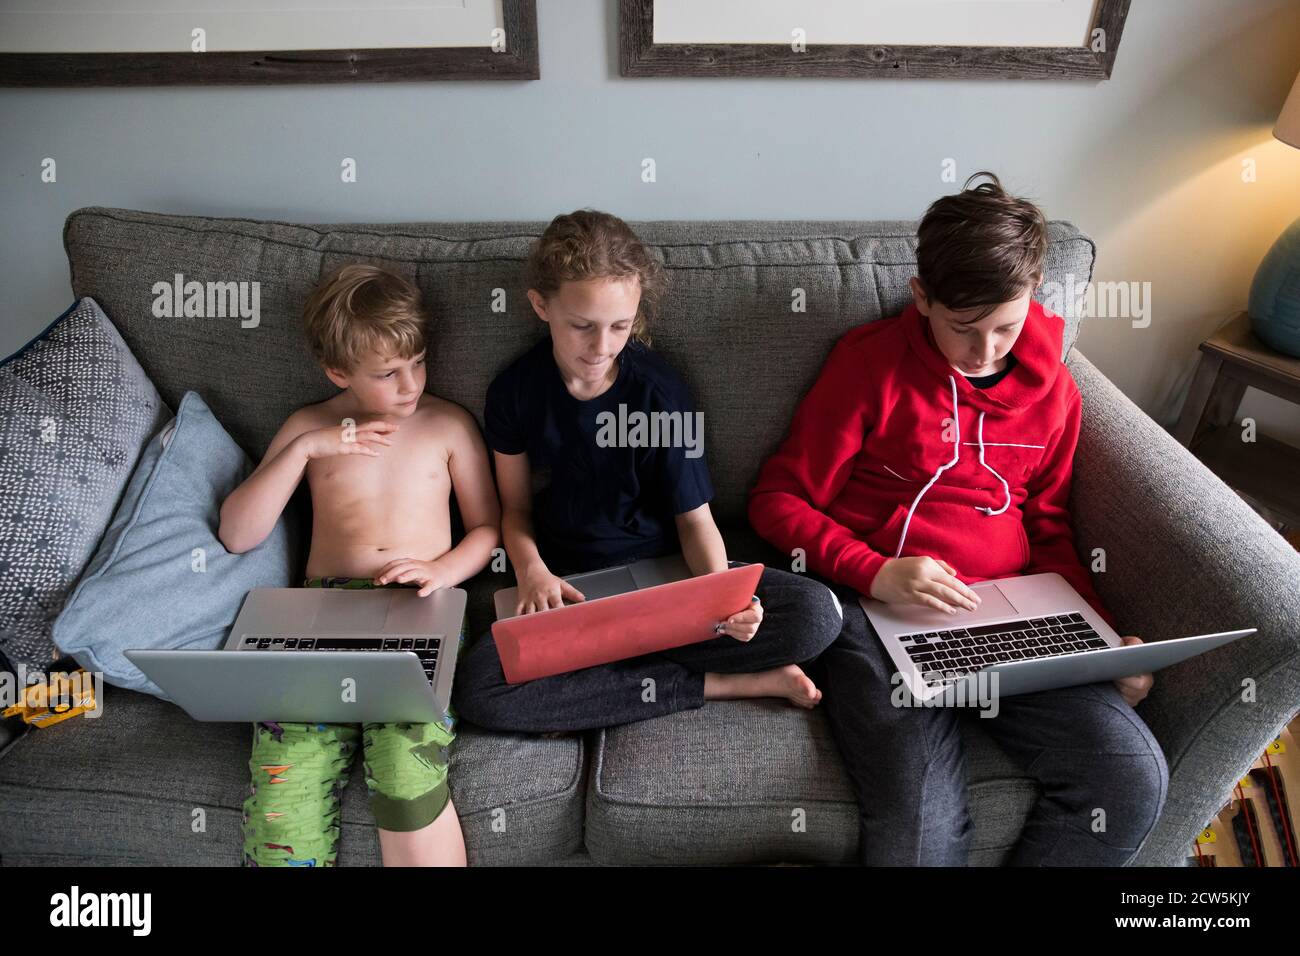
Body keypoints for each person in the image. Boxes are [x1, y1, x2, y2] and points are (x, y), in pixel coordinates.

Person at [748, 173, 1167, 865]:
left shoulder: (1056, 391)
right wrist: (876, 572)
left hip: (1010, 618)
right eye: (962, 329)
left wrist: (1099, 640)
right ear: (922, 297)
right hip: (875, 614)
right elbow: (777, 501)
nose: (984, 352)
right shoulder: (867, 366)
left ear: (1033, 297)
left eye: (1007, 326)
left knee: (1129, 777)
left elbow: (1053, 528)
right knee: (920, 828)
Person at [453, 210, 842, 733]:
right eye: (582, 326)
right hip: (572, 586)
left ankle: (605, 670)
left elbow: (695, 521)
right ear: (541, 306)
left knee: (818, 615)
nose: (602, 347)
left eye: (619, 326)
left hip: (668, 577)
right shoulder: (515, 393)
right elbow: (516, 510)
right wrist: (531, 571)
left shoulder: (660, 393)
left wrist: (723, 596)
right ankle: (718, 683)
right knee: (482, 691)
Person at [219, 263, 500, 866]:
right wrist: (304, 451)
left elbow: (487, 530)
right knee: (285, 772)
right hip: (319, 615)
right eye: (388, 373)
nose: (410, 385)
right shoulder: (308, 427)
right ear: (337, 372)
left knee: (406, 764)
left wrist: (444, 571)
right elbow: (238, 534)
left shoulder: (447, 424)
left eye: (418, 362)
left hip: (417, 609)